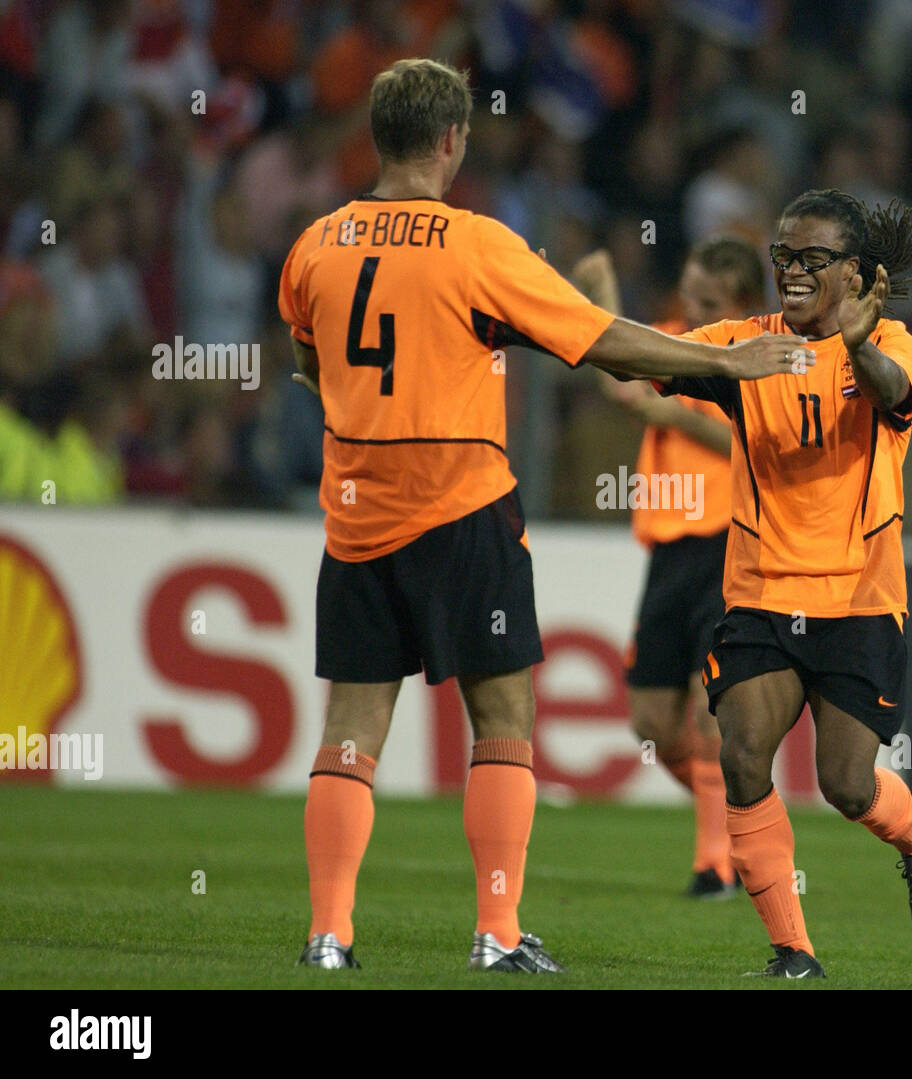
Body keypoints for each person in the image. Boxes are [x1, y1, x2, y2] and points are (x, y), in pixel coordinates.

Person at [277, 58, 809, 975]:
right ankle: (498, 931)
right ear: (451, 140)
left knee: (352, 727)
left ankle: (329, 934)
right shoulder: (478, 245)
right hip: (462, 508)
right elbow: (601, 339)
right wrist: (723, 363)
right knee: (504, 716)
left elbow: (309, 367)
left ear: (379, 137)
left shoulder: (314, 246)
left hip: (356, 517)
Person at [651, 189, 912, 977]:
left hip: (859, 596)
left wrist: (857, 347)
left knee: (846, 785)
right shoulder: (747, 345)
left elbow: (893, 390)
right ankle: (794, 951)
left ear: (854, 273)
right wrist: (567, 328)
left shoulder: (896, 343)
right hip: (758, 592)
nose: (790, 271)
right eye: (782, 256)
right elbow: (649, 356)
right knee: (745, 754)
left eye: (810, 260)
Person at [575, 237, 766, 897]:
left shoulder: (751, 358)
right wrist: (601, 285)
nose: (693, 308)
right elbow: (615, 373)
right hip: (668, 548)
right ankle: (742, 824)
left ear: (742, 306)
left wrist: (673, 414)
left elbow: (754, 447)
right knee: (652, 722)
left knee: (712, 714)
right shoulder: (673, 342)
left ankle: (715, 862)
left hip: (726, 543)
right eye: (689, 294)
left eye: (709, 301)